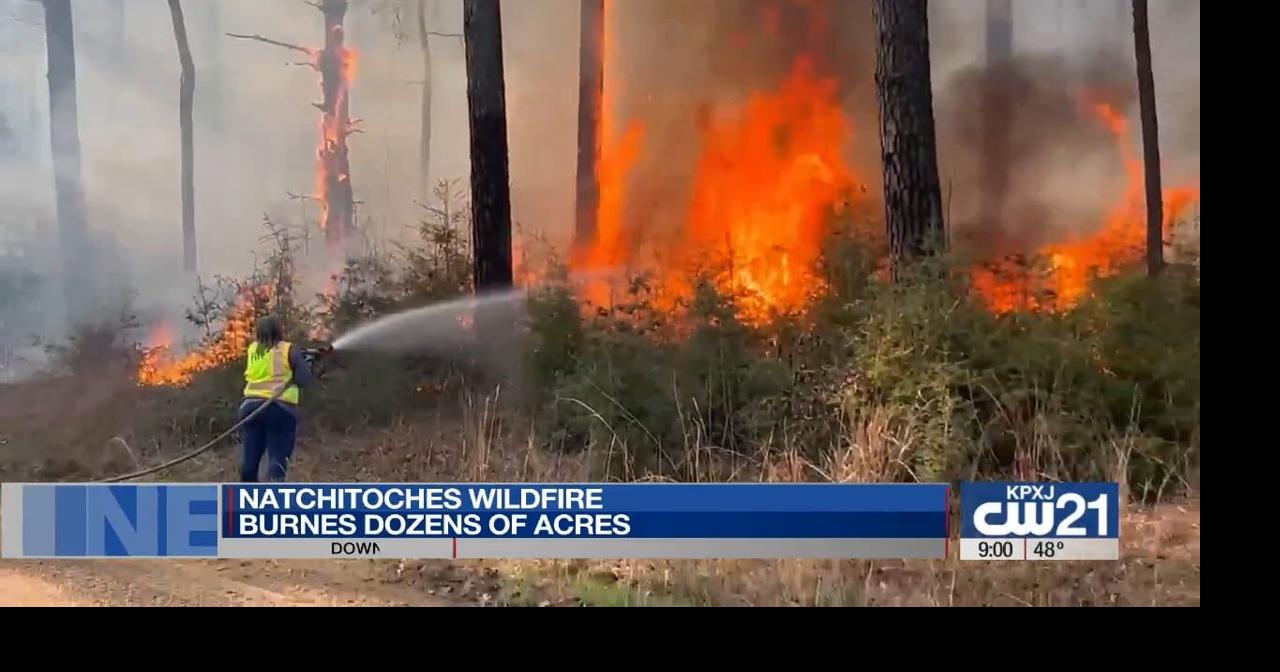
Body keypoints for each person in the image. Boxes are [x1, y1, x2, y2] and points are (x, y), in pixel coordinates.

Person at [239, 316, 313, 482]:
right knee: (277, 457)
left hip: (250, 409)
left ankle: (245, 499)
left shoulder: (252, 349)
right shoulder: (289, 349)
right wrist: (305, 365)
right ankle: (276, 495)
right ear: (279, 331)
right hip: (279, 409)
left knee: (250, 460)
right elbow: (303, 379)